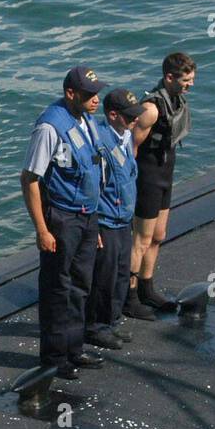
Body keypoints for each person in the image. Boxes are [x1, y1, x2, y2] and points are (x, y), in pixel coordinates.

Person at [21, 65, 108, 380]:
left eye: (97, 94)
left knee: (80, 285)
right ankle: (55, 357)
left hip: (87, 216)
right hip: (62, 217)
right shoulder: (49, 127)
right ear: (70, 94)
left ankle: (74, 348)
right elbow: (30, 179)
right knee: (58, 288)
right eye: (89, 94)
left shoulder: (86, 120)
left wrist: (94, 224)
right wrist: (42, 229)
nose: (96, 99)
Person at [126, 52, 196, 318]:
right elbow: (131, 148)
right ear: (169, 77)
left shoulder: (177, 100)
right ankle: (129, 296)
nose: (190, 84)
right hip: (148, 177)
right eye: (186, 80)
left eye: (191, 79)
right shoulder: (151, 109)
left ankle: (147, 287)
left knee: (158, 236)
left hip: (165, 173)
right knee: (141, 240)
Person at [84, 88, 142, 348]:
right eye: (130, 116)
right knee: (104, 278)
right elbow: (93, 183)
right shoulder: (101, 140)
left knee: (120, 274)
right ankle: (96, 326)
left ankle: (112, 321)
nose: (135, 120)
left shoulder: (125, 136)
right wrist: (93, 224)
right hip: (107, 219)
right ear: (113, 114)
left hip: (123, 218)